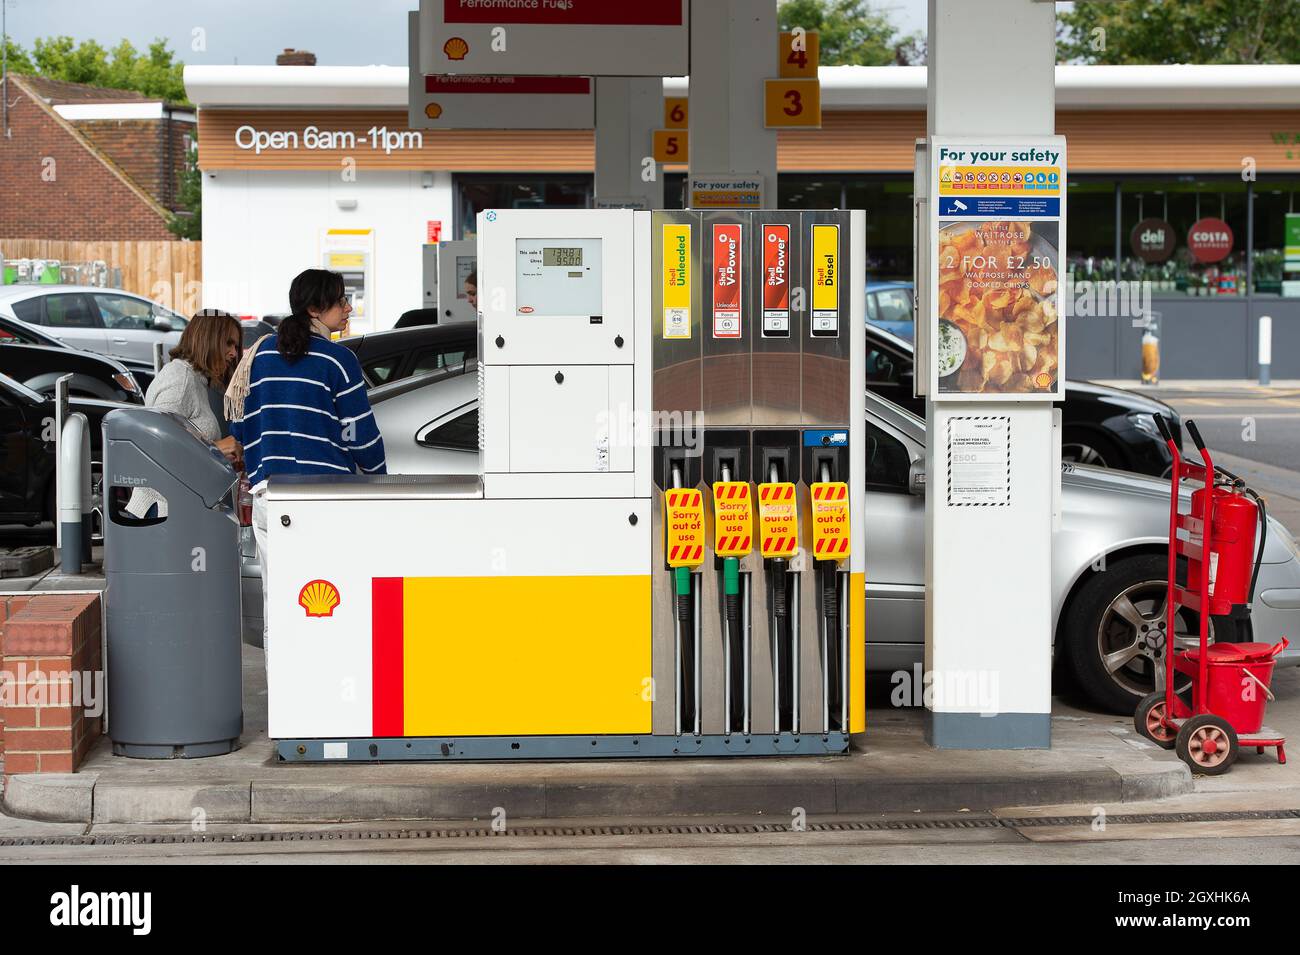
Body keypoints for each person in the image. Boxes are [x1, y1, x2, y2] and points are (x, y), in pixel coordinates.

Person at [225, 269, 386, 651]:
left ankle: (283, 703)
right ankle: (326, 688)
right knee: (329, 602)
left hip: (269, 495)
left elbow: (240, 425)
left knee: (278, 604)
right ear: (315, 307)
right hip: (323, 499)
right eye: (341, 300)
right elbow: (359, 433)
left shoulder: (260, 354)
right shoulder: (338, 360)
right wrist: (381, 478)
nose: (349, 308)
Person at [125, 309, 243, 518]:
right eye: (228, 343)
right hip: (161, 512)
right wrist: (215, 450)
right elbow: (155, 449)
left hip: (175, 508)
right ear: (207, 339)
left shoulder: (194, 379)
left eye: (235, 346)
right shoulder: (181, 380)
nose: (233, 353)